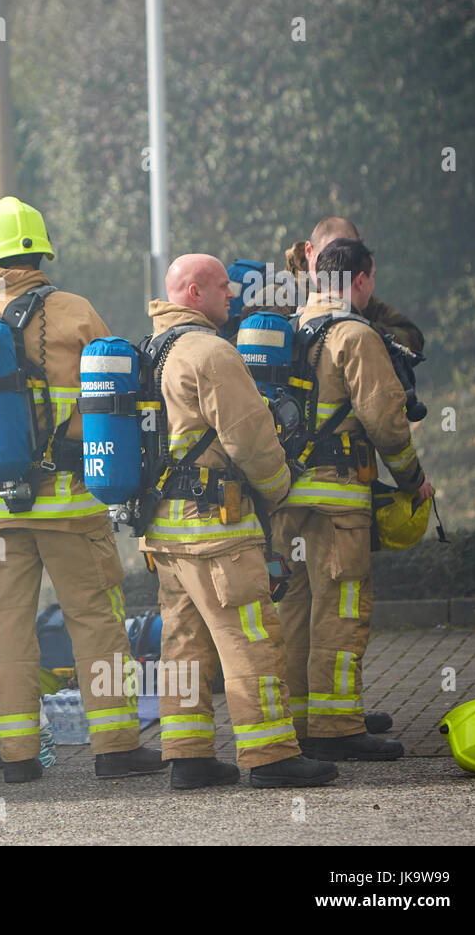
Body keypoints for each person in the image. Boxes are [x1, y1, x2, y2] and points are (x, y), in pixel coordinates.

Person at [0, 196, 164, 784]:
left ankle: (16, 758)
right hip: (71, 503)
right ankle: (115, 747)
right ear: (40, 251)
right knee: (95, 620)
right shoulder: (76, 313)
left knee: (8, 626)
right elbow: (120, 395)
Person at [140, 253, 337, 789]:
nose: (234, 295)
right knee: (249, 637)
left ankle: (187, 757)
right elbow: (250, 437)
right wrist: (277, 489)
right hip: (217, 530)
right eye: (223, 287)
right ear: (195, 292)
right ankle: (271, 756)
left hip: (165, 533)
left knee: (183, 642)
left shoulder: (150, 350)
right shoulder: (210, 351)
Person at [273, 239, 433, 761]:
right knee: (341, 606)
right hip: (338, 500)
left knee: (294, 605)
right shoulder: (355, 335)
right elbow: (387, 424)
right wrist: (413, 481)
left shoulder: (287, 330)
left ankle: (299, 718)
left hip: (284, 498)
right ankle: (337, 726)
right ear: (361, 279)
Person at [285, 217, 424, 352]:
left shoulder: (358, 300)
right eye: (331, 253)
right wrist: (298, 325)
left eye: (350, 255)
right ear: (309, 251)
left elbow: (413, 338)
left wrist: (360, 328)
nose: (341, 263)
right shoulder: (283, 296)